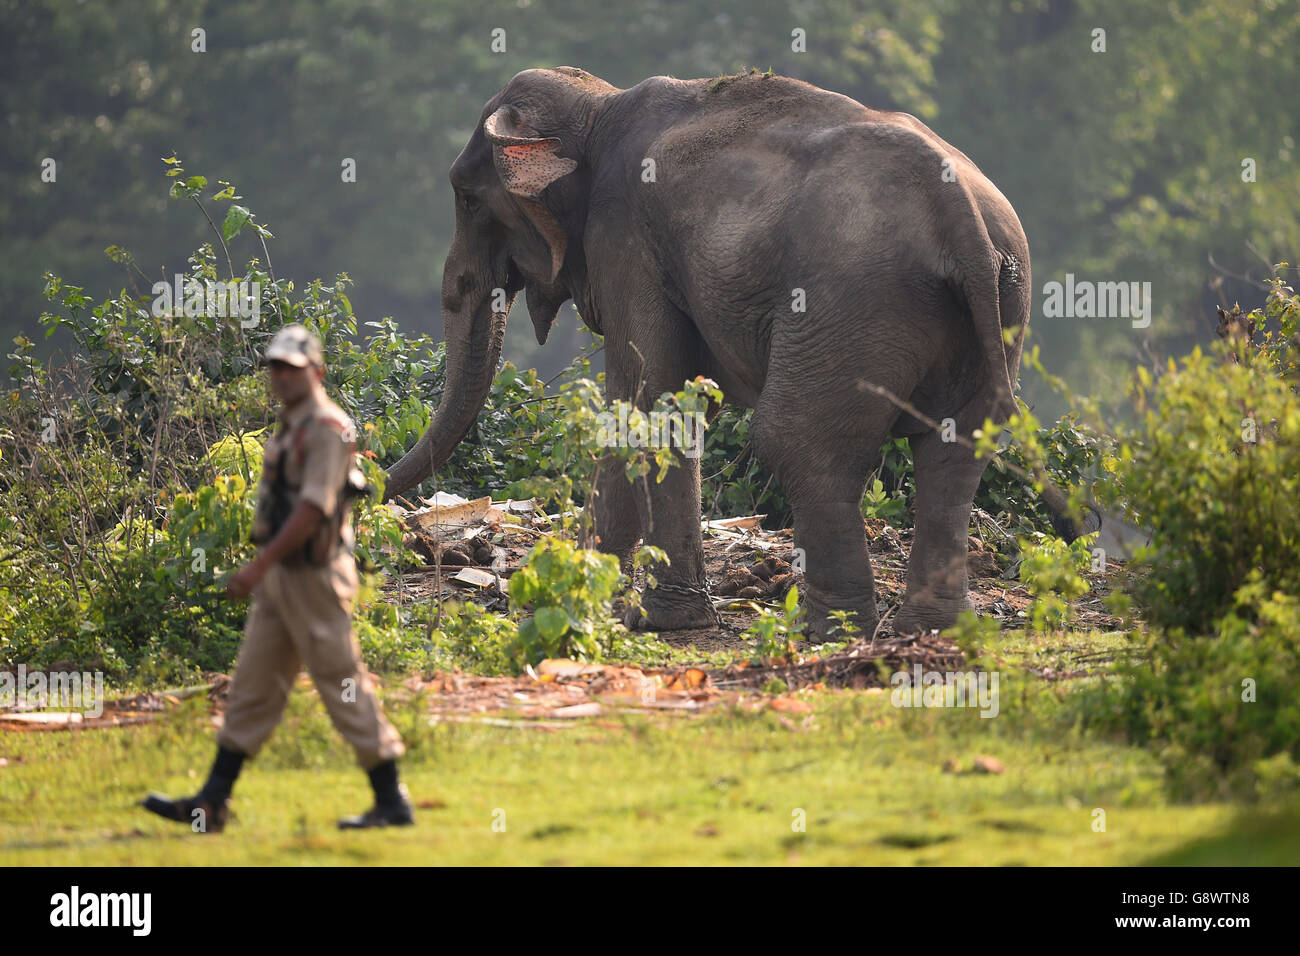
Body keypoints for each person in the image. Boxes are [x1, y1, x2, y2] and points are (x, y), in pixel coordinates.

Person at [142, 324, 412, 832]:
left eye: (292, 367)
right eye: (276, 367)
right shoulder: (292, 426)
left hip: (313, 577)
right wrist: (268, 570)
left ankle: (391, 799)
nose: (282, 376)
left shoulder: (330, 428)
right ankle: (211, 803)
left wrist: (258, 566)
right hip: (282, 580)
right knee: (252, 685)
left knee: (342, 683)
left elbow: (313, 507)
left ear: (317, 372)